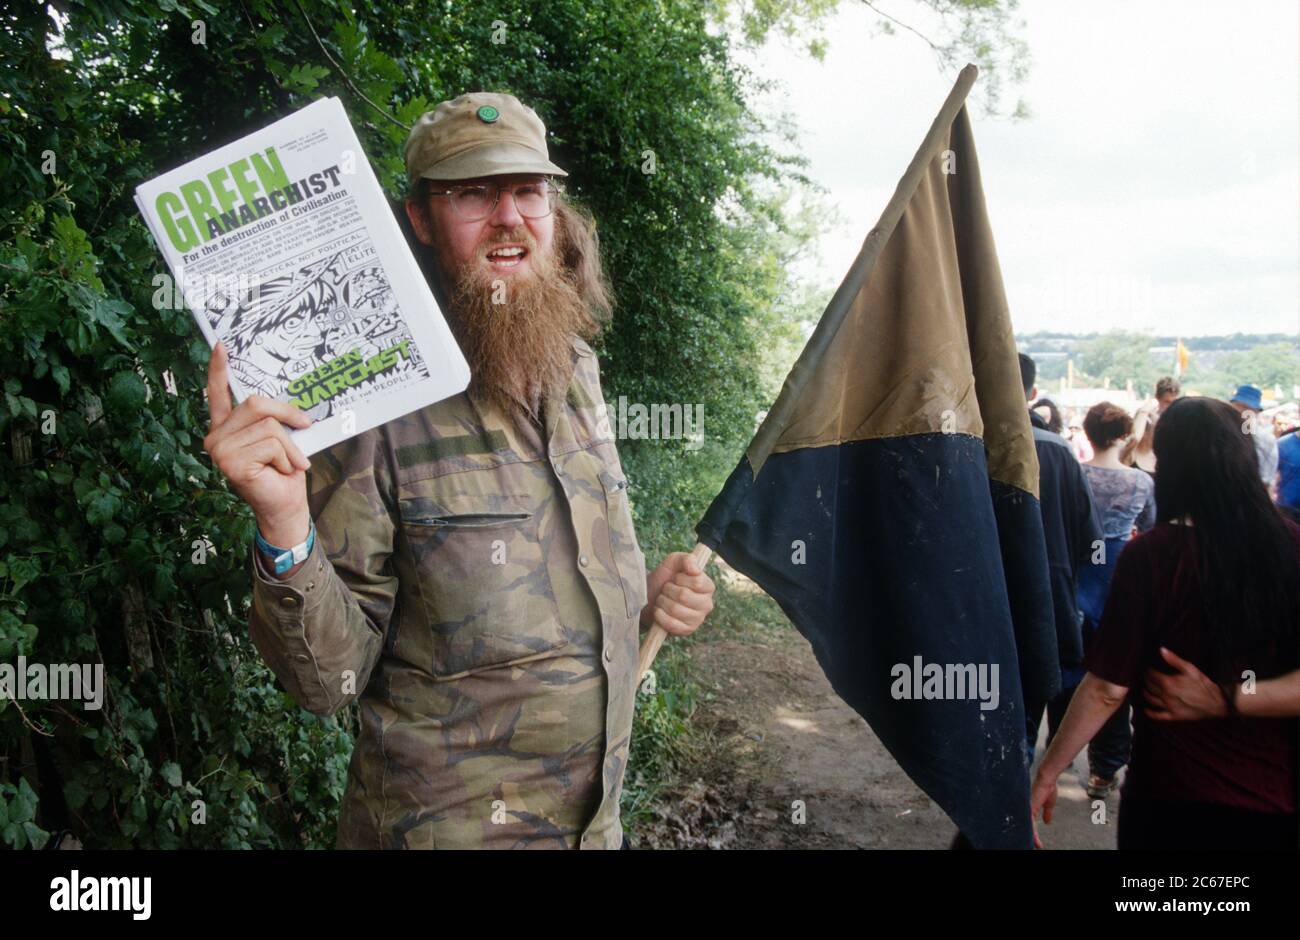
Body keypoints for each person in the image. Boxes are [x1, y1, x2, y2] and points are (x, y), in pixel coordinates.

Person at [203, 92, 716, 849]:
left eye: (529, 189)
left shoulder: (576, 368)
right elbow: (328, 682)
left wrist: (642, 600)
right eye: (473, 192)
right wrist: (283, 525)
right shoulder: (372, 402)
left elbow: (551, 595)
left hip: (592, 832)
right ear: (419, 219)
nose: (509, 215)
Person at [1030, 397, 1300, 850]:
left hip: (1172, 804)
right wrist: (1236, 697)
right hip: (1273, 803)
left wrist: (1046, 773)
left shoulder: (1151, 558)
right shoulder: (1292, 548)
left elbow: (1106, 689)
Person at [1018, 354, 1103, 756]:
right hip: (1047, 599)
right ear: (1032, 394)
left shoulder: (957, 448)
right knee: (1036, 688)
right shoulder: (1060, 452)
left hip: (975, 606)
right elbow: (1092, 537)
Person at [1075, 402, 1155, 799]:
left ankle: (1061, 743)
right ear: (1125, 436)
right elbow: (1152, 527)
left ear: (1087, 434)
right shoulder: (1141, 483)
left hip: (1082, 566)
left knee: (1076, 664)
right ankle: (1104, 770)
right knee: (1116, 668)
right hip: (1120, 571)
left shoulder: (1078, 474)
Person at [1121, 377, 1178, 476]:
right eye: (1167, 402)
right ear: (1157, 399)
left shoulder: (1175, 421)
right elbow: (1134, 439)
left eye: (1173, 403)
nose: (1170, 407)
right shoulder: (1145, 414)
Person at [1228, 384, 1279, 493]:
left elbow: (1266, 478)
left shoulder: (1265, 440)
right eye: (1238, 405)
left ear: (1256, 412)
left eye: (1247, 408)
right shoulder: (1217, 432)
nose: (1241, 411)